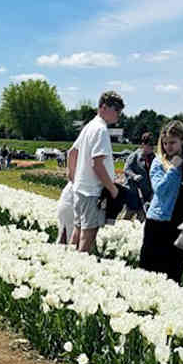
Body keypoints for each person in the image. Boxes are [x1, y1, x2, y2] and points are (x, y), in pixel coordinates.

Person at [67, 90, 124, 253]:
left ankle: (66, 265)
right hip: (93, 192)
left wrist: (73, 177)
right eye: (117, 110)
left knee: (77, 232)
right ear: (104, 107)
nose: (118, 115)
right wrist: (113, 189)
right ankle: (77, 272)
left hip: (80, 189)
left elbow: (72, 152)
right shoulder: (101, 130)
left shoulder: (89, 127)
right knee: (88, 235)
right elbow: (97, 164)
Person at [139, 120, 183, 284]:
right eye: (165, 143)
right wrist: (174, 168)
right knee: (149, 271)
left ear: (182, 141)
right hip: (159, 222)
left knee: (173, 271)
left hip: (179, 225)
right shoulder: (159, 162)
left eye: (173, 142)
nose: (168, 147)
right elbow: (160, 189)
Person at [123, 132, 155, 220]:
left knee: (143, 215)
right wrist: (134, 176)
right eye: (149, 145)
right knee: (130, 213)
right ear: (143, 144)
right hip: (133, 191)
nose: (152, 147)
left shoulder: (153, 158)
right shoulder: (134, 156)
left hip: (146, 193)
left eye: (153, 145)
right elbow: (126, 169)